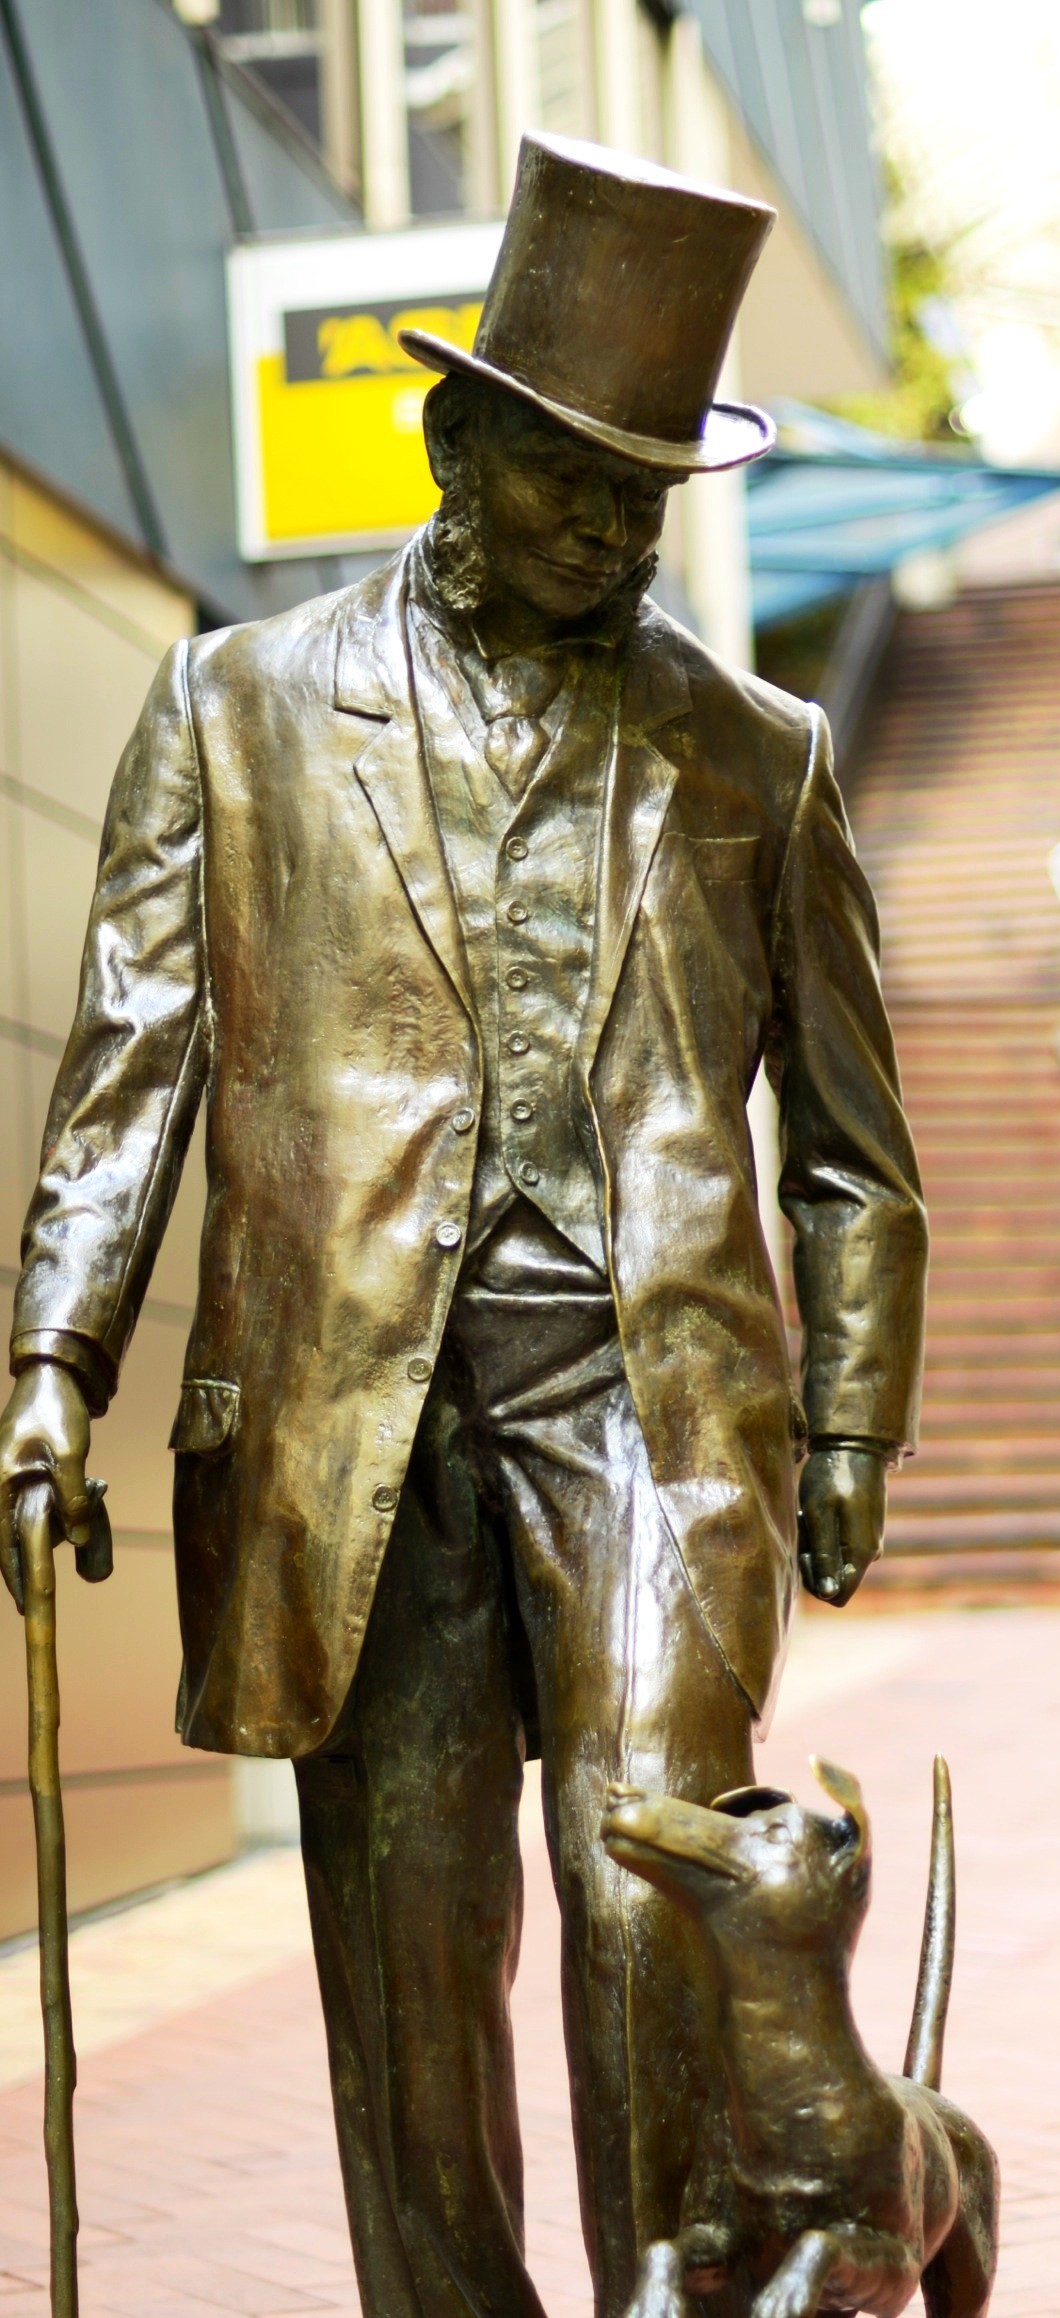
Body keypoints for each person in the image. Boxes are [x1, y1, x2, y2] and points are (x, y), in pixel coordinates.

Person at [0, 134, 926, 2318]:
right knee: (409, 1953)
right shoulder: (237, 712)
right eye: (571, 483)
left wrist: (856, 1416)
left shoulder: (752, 751)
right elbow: (129, 1070)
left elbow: (851, 1140)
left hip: (657, 1404)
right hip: (354, 1419)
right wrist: (51, 1364)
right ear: (454, 440)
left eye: (644, 498)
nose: (610, 534)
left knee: (648, 1899)